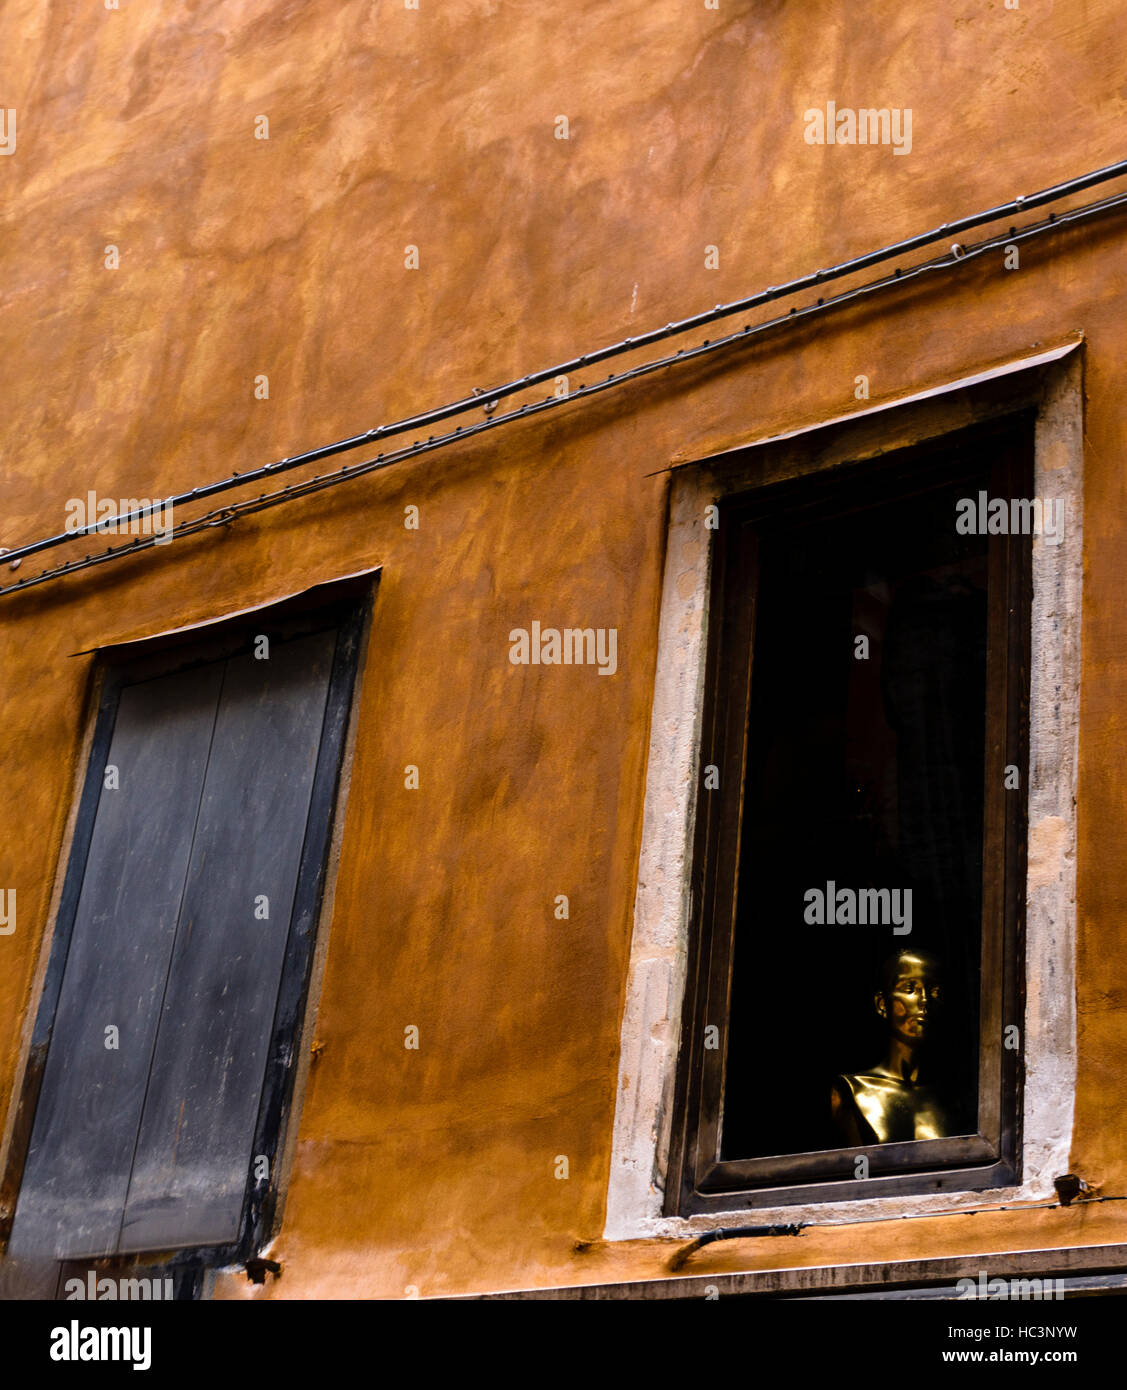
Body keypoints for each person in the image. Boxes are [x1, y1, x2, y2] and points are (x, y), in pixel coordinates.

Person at [830, 948, 954, 1144]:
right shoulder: (851, 1092)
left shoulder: (953, 1099)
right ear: (882, 1004)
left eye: (934, 991)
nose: (924, 1001)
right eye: (909, 989)